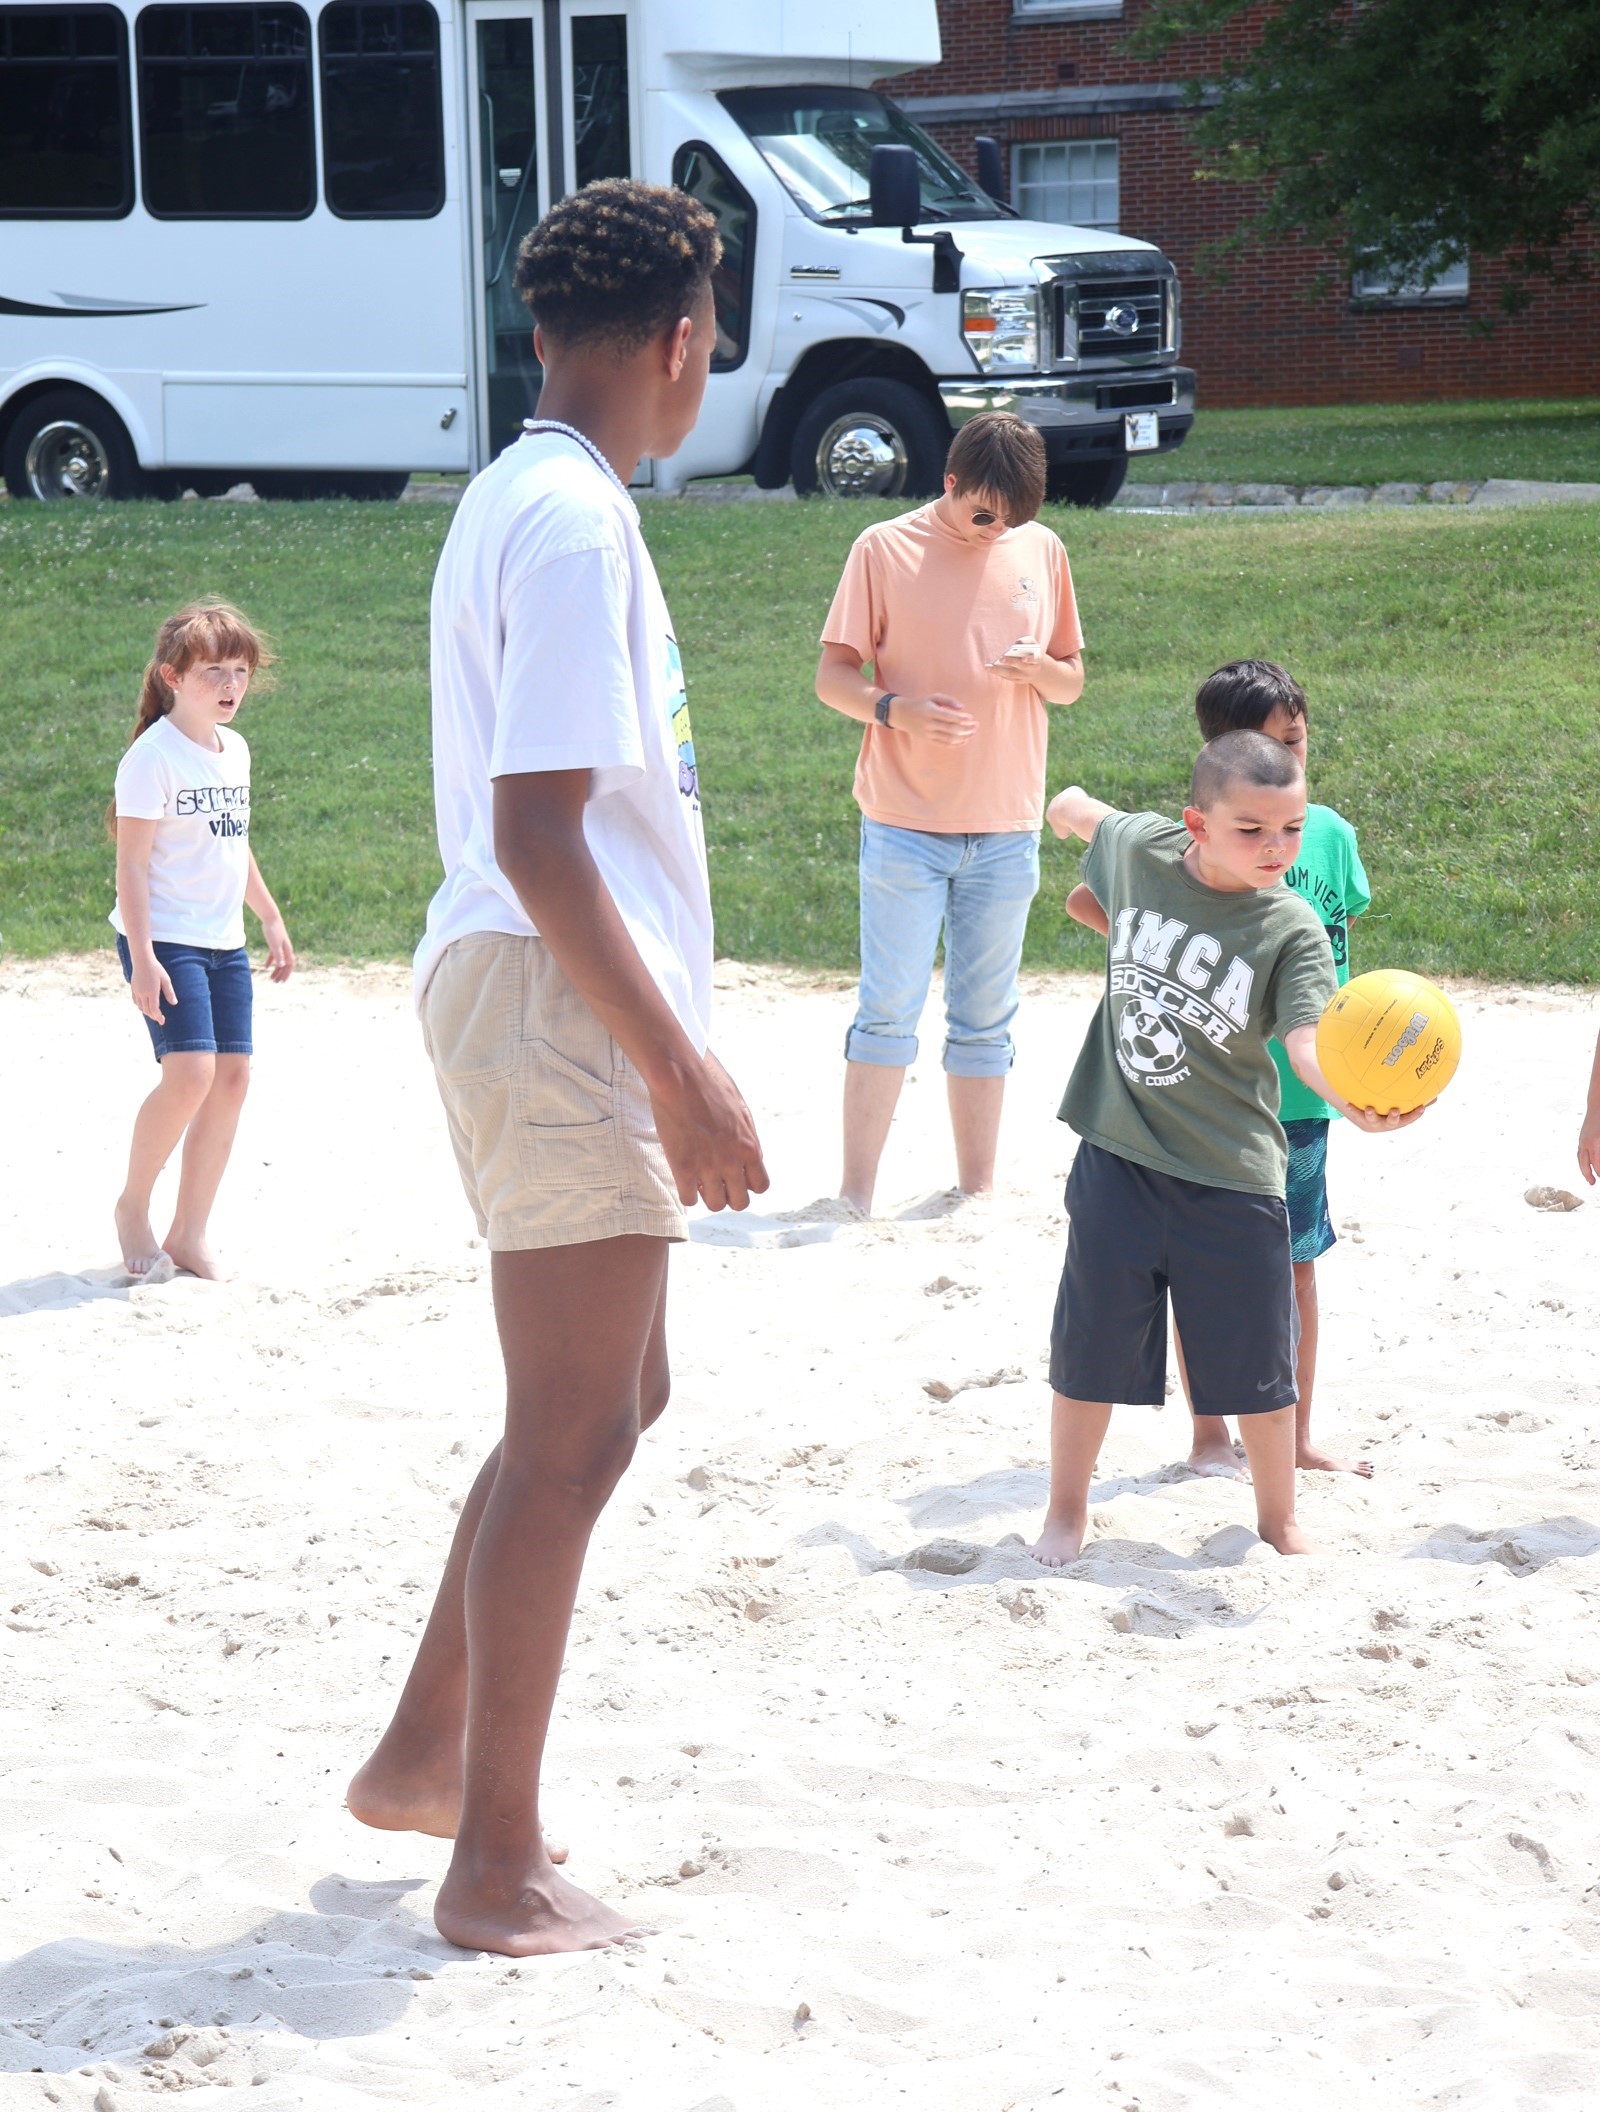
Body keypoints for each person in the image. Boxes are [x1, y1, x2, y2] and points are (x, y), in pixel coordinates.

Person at [346, 180, 768, 1960]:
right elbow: (541, 834)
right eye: (712, 340)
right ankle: (490, 1861)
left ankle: (429, 1752)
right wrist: (680, 1064)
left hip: (533, 987)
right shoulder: (577, 524)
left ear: (541, 333)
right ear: (682, 338)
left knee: (610, 1398)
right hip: (551, 992)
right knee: (574, 1422)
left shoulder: (528, 494)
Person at [1031, 732, 1419, 1568]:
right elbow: (1070, 809)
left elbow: (1309, 1041)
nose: (1276, 848)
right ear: (1195, 823)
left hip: (1235, 1173)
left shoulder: (1293, 926)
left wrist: (1354, 1100)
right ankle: (1067, 1513)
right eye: (1251, 829)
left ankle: (1278, 1521)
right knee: (1087, 1349)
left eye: (1290, 828)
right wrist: (1066, 814)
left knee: (1258, 1365)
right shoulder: (1139, 847)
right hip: (1118, 1153)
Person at [1065, 660, 1373, 1477]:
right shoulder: (1174, 847)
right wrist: (1182, 963)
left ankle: (1296, 1437)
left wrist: (1360, 1073)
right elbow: (1089, 884)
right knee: (1185, 1273)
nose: (1284, 761)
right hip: (1204, 1092)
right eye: (1262, 746)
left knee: (1292, 1268)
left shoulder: (1328, 838)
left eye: (1295, 743)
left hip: (1304, 1093)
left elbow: (1334, 951)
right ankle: (1209, 1434)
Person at [815, 413, 1084, 1213]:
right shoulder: (881, 548)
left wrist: (1042, 669)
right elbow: (833, 677)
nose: (997, 530)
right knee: (888, 1009)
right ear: (950, 485)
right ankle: (855, 1194)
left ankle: (975, 1190)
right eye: (984, 515)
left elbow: (1073, 679)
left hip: (1006, 826)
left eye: (1014, 519)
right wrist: (893, 710)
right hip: (904, 823)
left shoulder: (1042, 550)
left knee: (984, 1019)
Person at [109, 602, 295, 1283]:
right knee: (190, 1073)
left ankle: (188, 1235)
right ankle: (133, 1207)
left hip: (222, 941)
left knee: (233, 1078)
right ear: (172, 676)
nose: (230, 685)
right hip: (164, 940)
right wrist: (144, 955)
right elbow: (130, 865)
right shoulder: (150, 757)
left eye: (240, 671)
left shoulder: (234, 750)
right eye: (213, 671)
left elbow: (233, 842)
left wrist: (269, 916)